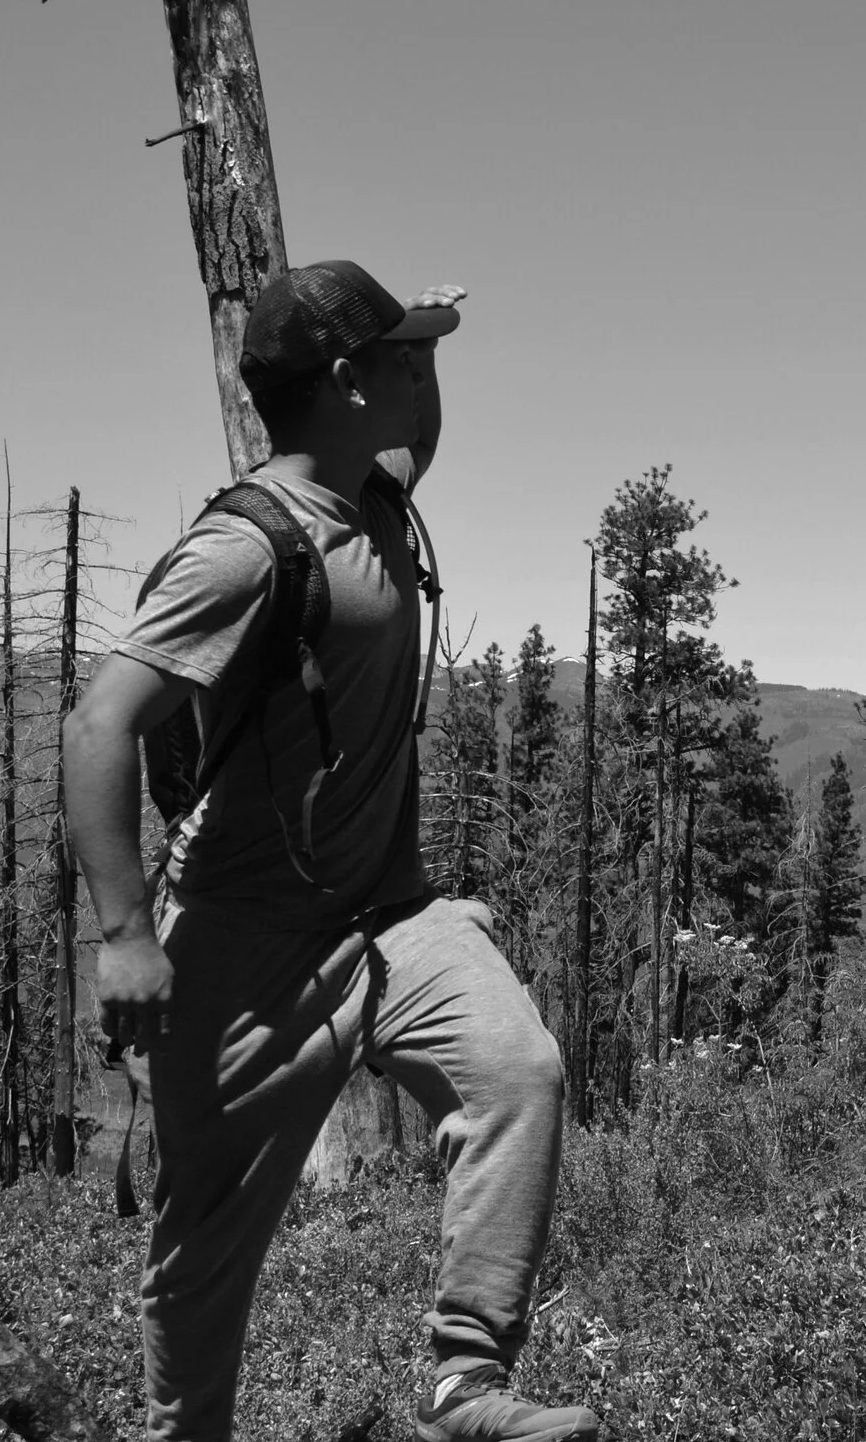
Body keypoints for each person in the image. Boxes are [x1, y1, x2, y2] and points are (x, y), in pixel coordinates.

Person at [63, 262, 600, 1442]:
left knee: (519, 1074)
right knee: (208, 1243)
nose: (424, 373)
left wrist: (433, 331)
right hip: (246, 940)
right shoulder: (242, 552)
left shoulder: (377, 492)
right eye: (402, 356)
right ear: (350, 382)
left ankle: (463, 1382)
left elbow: (425, 424)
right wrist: (124, 936)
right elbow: (98, 724)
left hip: (394, 917)